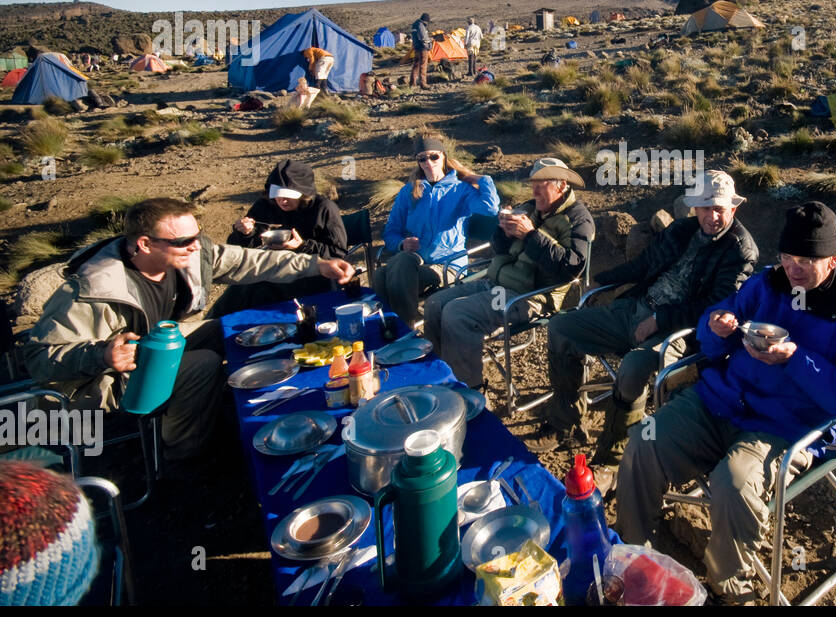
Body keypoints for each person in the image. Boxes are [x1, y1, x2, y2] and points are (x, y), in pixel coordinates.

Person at [616, 202, 836, 604]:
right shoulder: (768, 283)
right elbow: (717, 328)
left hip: (785, 429)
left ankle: (731, 588)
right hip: (721, 401)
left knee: (733, 483)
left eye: (805, 261)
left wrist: (796, 360)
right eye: (786, 257)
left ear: (833, 259)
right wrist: (717, 327)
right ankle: (635, 554)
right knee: (645, 439)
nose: (793, 269)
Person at [21, 198, 356, 466]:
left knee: (226, 329)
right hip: (106, 382)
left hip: (157, 349)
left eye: (197, 236)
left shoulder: (190, 255)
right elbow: (38, 359)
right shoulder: (92, 289)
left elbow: (249, 262)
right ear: (144, 244)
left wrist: (316, 264)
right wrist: (101, 354)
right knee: (203, 364)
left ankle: (235, 405)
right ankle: (183, 451)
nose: (196, 246)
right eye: (184, 241)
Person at [544, 170, 758, 467]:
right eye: (706, 208)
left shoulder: (739, 250)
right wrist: (602, 280)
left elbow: (717, 307)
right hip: (637, 309)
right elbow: (644, 265)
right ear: (695, 207)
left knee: (633, 367)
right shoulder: (682, 230)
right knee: (560, 327)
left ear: (732, 209)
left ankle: (613, 455)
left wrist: (661, 319)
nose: (712, 216)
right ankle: (565, 422)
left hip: (680, 334)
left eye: (720, 209)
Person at [424, 157, 594, 390]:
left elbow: (571, 268)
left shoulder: (578, 219)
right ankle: (441, 375)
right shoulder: (531, 207)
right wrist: (503, 231)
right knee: (435, 304)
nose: (534, 190)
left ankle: (468, 392)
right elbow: (500, 250)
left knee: (457, 314)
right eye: (533, 183)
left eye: (541, 184)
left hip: (531, 296)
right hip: (496, 281)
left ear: (561, 186)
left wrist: (531, 236)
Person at [372, 134, 499, 328]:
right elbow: (391, 231)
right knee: (382, 273)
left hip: (447, 265)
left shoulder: (461, 190)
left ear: (443, 156)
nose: (428, 162)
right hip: (415, 263)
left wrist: (483, 179)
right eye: (422, 158)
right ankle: (390, 327)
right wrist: (401, 243)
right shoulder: (409, 191)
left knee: (397, 267)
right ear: (418, 162)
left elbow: (490, 208)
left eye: (434, 156)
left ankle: (404, 329)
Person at [210, 160, 348, 316]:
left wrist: (302, 246)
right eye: (277, 195)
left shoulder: (324, 208)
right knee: (237, 294)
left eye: (288, 196)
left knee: (256, 294)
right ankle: (211, 328)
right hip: (270, 271)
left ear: (303, 194)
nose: (282, 201)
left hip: (312, 276)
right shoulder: (265, 206)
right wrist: (245, 233)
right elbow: (238, 250)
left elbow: (337, 252)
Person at [410, 13, 432, 89]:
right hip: (423, 48)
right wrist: (429, 42)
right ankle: (423, 84)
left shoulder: (414, 25)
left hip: (416, 47)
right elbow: (423, 37)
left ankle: (412, 83)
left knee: (416, 65)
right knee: (423, 66)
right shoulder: (421, 25)